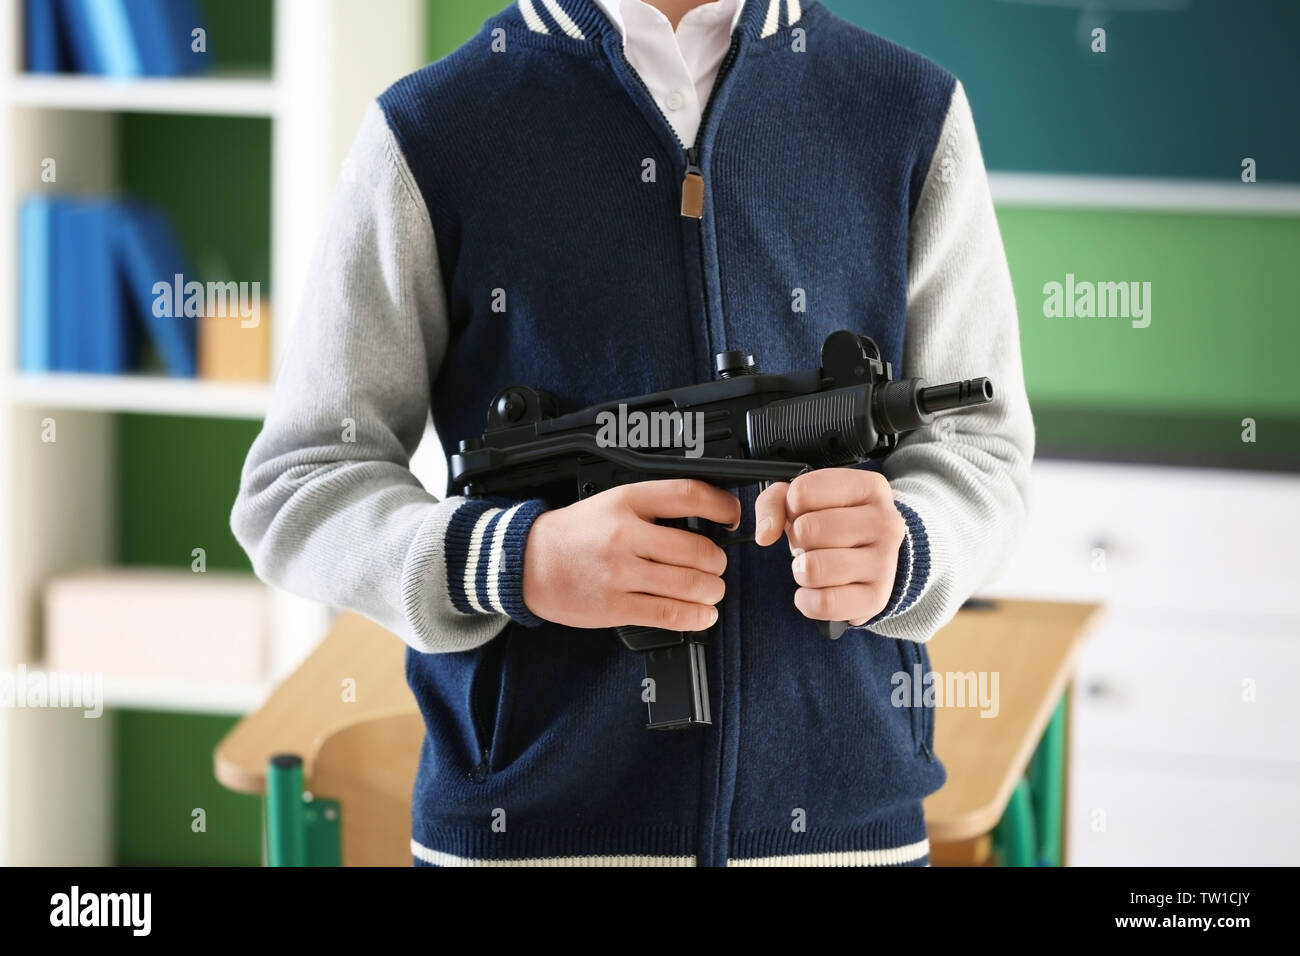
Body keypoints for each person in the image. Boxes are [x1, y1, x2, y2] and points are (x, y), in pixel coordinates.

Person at [231, 0, 1033, 867]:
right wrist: (517, 562)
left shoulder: (910, 111)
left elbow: (980, 449)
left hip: (849, 836)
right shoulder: (430, 127)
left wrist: (909, 546)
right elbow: (299, 484)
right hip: (524, 838)